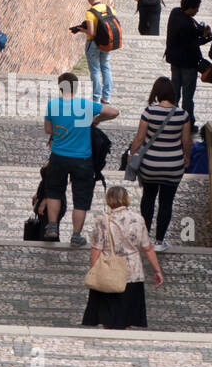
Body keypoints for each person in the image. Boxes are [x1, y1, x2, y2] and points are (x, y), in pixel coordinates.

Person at [42, 72, 119, 245]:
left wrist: (61, 128)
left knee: (54, 192)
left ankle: (52, 226)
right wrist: (97, 119)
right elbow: (115, 112)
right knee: (81, 199)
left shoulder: (53, 105)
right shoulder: (85, 105)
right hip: (83, 160)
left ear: (60, 86)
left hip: (58, 157)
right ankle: (76, 235)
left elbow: (48, 130)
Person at [82, 185, 163, 329]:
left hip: (109, 272)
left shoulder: (103, 220)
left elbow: (96, 249)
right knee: (127, 319)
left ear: (109, 200)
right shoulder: (138, 219)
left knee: (108, 318)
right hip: (132, 273)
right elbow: (148, 248)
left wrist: (93, 271)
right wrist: (157, 270)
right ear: (126, 199)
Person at [127, 77, 191, 252]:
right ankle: (160, 241)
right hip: (173, 165)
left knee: (148, 198)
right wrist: (187, 157)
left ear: (156, 92)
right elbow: (186, 140)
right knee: (166, 202)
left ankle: (145, 238)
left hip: (150, 165)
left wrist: (131, 154)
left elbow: (139, 139)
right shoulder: (182, 115)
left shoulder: (149, 112)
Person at [165, 0, 212, 125]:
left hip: (174, 61)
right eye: (196, 8)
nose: (197, 10)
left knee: (175, 92)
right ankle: (188, 122)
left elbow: (191, 29)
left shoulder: (176, 13)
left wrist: (200, 31)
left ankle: (170, 119)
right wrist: (208, 37)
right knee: (187, 95)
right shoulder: (187, 24)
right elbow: (195, 42)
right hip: (188, 64)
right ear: (190, 8)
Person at [74, 0, 117, 105]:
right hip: (107, 43)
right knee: (106, 67)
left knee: (95, 70)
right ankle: (107, 97)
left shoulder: (90, 13)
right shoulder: (109, 9)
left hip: (93, 44)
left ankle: (96, 98)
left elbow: (91, 32)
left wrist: (81, 29)